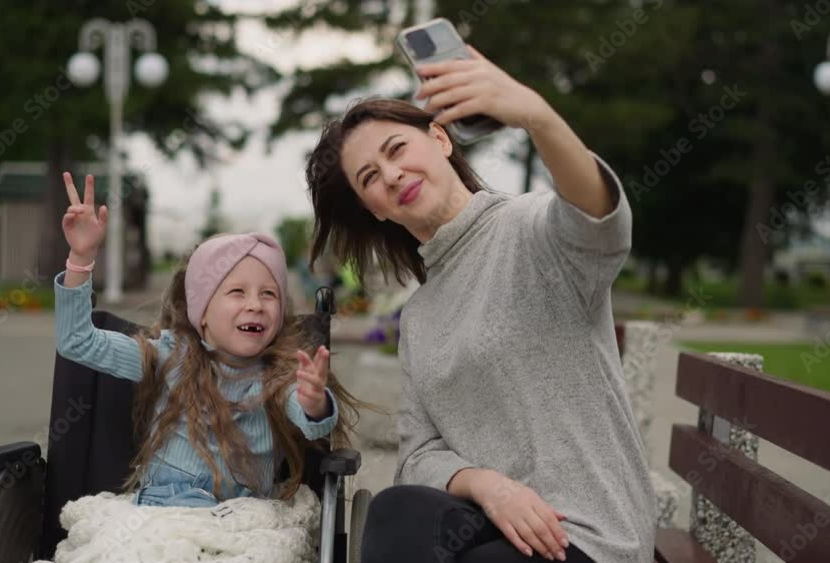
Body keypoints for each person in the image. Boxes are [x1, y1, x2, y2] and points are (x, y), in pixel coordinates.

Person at [305, 46, 655, 562]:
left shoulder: (532, 229)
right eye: (370, 178)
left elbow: (599, 222)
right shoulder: (420, 315)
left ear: (440, 138)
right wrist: (489, 486)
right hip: (491, 525)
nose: (392, 175)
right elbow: (417, 456)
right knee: (395, 510)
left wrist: (535, 116)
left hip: (587, 536)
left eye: (397, 149)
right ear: (373, 209)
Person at [54, 172, 363, 507]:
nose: (255, 305)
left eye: (269, 294)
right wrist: (81, 260)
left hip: (240, 520)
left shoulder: (278, 374)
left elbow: (314, 426)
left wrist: (314, 401)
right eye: (237, 292)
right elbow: (77, 342)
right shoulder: (168, 357)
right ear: (201, 313)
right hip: (162, 516)